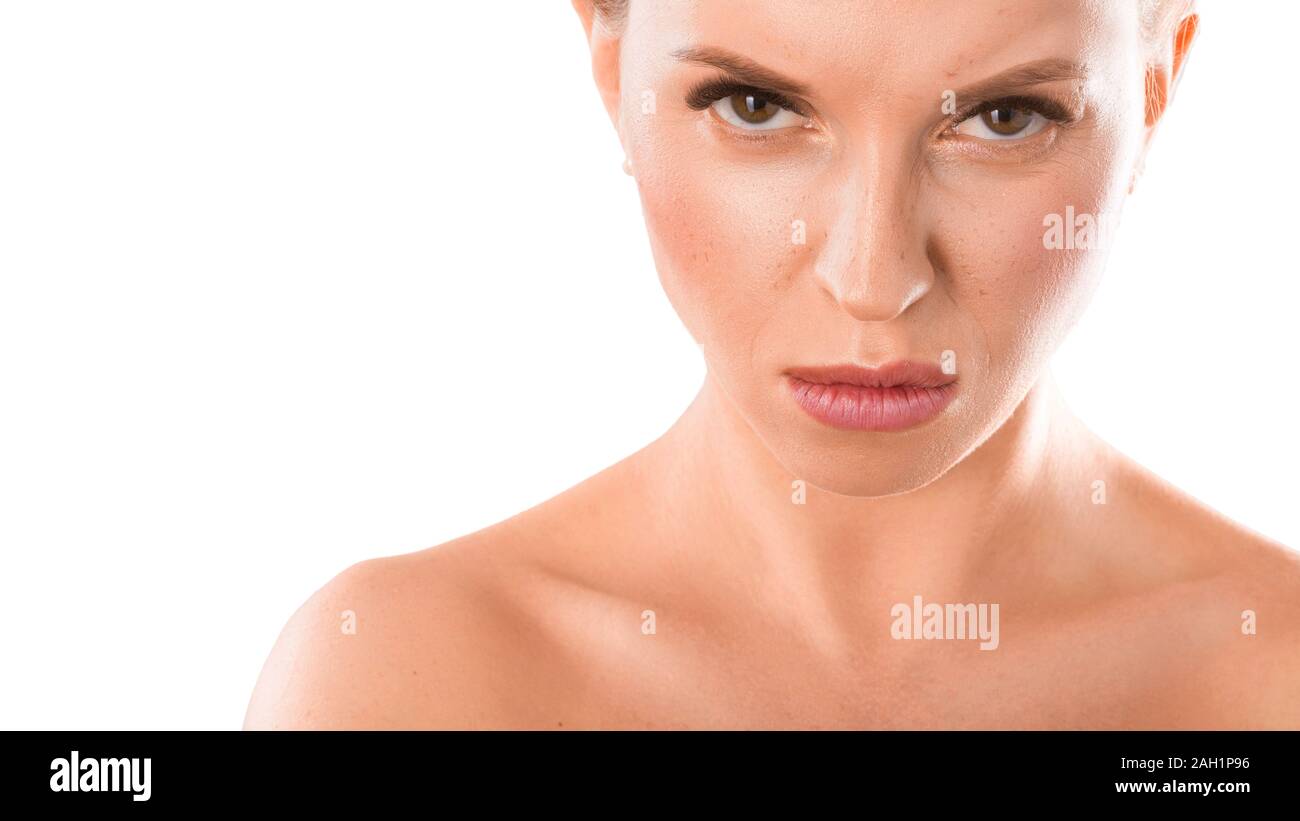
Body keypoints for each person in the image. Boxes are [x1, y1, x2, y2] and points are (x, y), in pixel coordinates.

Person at [244, 0, 1300, 729]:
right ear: (612, 74)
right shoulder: (400, 682)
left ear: (1157, 87)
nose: (874, 279)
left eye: (1004, 116)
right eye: (755, 106)